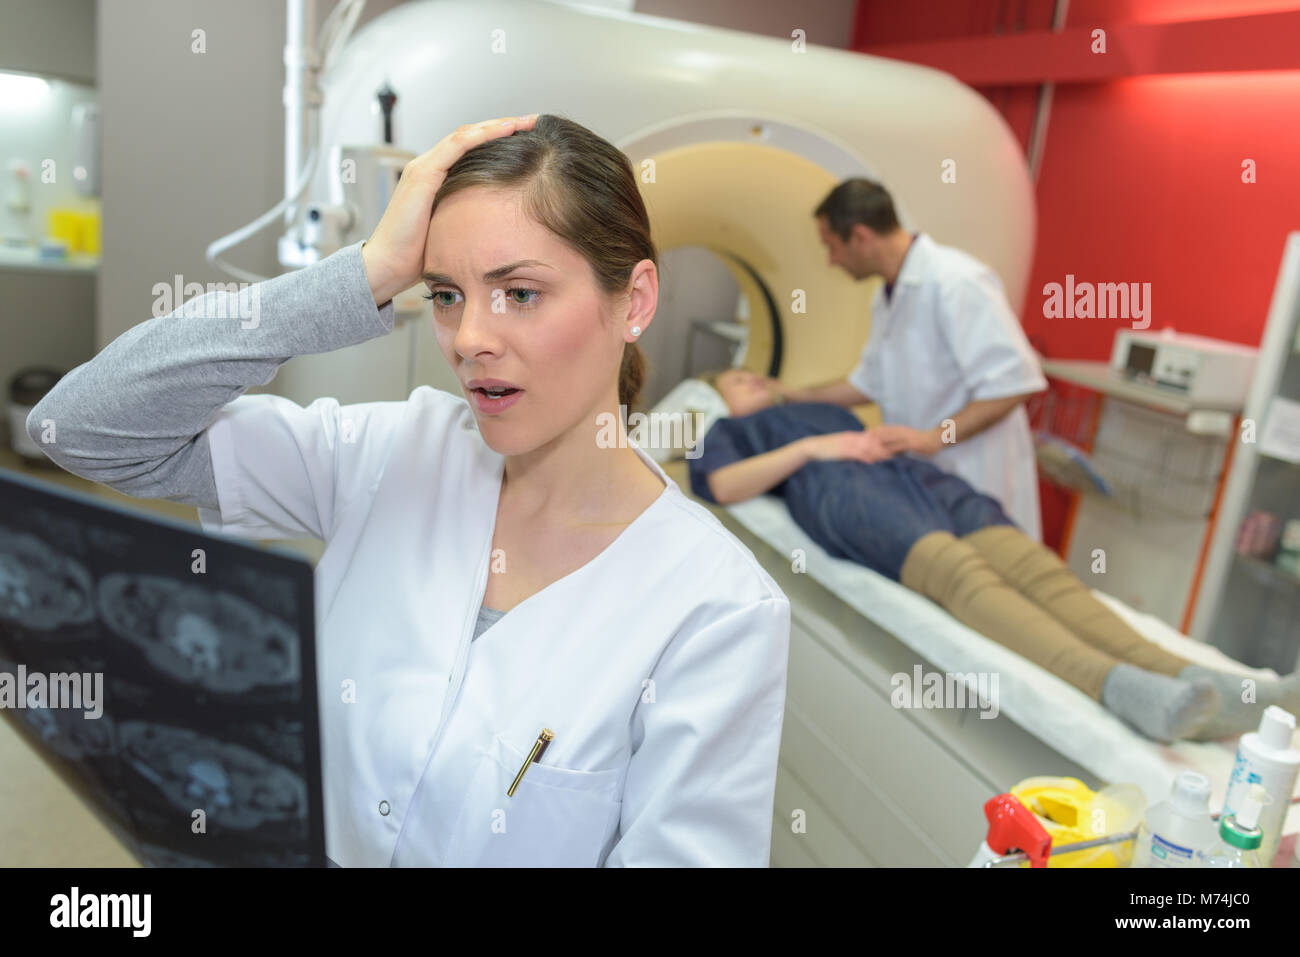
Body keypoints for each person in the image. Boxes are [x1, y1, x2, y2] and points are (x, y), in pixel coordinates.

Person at [26, 114, 792, 867]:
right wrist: (360, 276)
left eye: (519, 293)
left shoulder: (716, 611)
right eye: (447, 294)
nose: (469, 339)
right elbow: (80, 427)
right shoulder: (387, 452)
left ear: (635, 301)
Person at [686, 368, 1300, 743]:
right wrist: (816, 448)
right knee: (964, 576)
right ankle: (1123, 689)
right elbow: (722, 487)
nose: (754, 382)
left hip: (914, 476)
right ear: (718, 399)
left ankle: (1196, 678)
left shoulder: (818, 404)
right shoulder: (730, 433)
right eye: (738, 381)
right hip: (839, 488)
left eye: (758, 374)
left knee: (1040, 572)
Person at [775, 179, 1048, 541]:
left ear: (860, 236)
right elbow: (866, 383)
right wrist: (787, 394)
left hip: (974, 472)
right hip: (924, 476)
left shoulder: (956, 281)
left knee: (981, 572)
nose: (831, 261)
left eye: (832, 247)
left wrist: (933, 438)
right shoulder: (885, 297)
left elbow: (1015, 384)